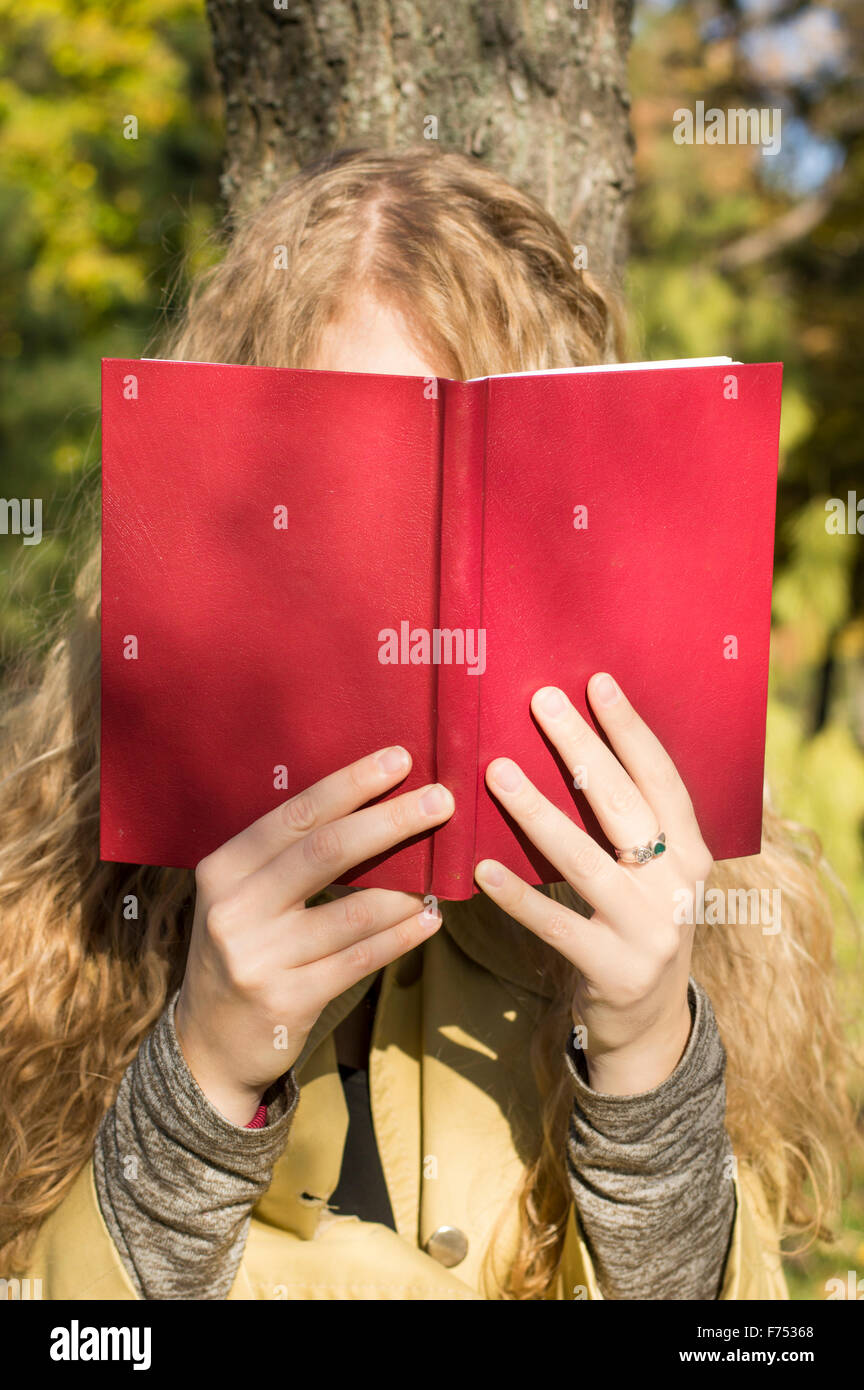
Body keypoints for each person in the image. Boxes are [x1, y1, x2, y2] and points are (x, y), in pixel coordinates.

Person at [0, 147, 857, 1301]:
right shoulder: (57, 922)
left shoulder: (687, 921)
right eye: (336, 496)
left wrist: (650, 1052)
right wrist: (201, 1064)